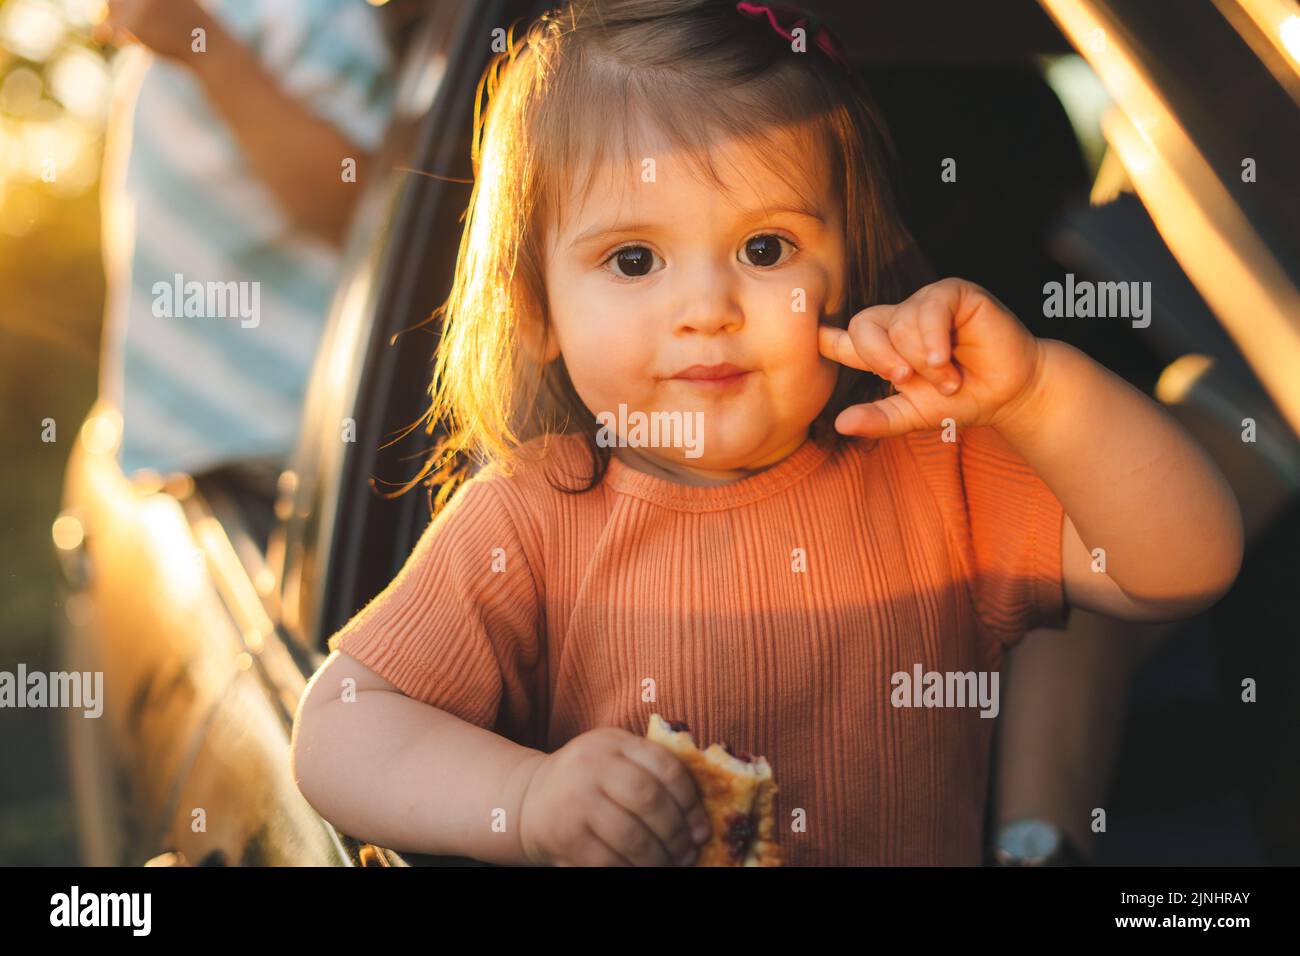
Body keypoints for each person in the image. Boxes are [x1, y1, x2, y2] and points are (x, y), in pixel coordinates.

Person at [290, 0, 1244, 866]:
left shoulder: (934, 474)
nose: (707, 307)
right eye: (634, 258)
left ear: (847, 275)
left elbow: (1184, 564)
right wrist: (526, 797)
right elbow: (340, 726)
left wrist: (1038, 391)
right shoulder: (527, 520)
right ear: (536, 310)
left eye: (765, 249)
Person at [94, 0, 397, 536]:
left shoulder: (319, 16)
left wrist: (199, 42)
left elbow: (357, 209)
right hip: (194, 453)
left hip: (284, 455)